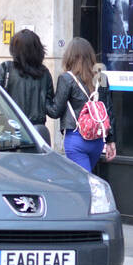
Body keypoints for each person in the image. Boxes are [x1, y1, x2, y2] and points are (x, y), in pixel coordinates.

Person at [47, 37, 117, 171]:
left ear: (70, 56)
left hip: (76, 140)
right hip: (97, 141)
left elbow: (55, 111)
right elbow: (108, 110)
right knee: (86, 180)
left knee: (84, 185)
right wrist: (111, 140)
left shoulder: (66, 78)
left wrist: (44, 98)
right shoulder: (101, 77)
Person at [0, 29, 55, 145]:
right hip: (37, 134)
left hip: (10, 133)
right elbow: (51, 109)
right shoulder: (44, 73)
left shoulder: (5, 69)